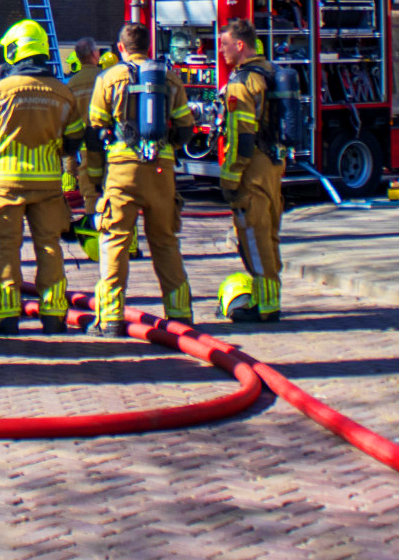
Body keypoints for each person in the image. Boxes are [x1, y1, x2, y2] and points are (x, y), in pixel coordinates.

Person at [0, 20, 84, 335]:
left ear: (16, 50)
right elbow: (73, 142)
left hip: (6, 183)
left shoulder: (1, 88)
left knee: (5, 247)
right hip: (47, 183)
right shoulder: (63, 92)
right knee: (49, 247)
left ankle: (5, 316)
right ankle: (54, 315)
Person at [87, 22, 195, 337]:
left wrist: (95, 178)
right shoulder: (170, 78)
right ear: (149, 46)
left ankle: (110, 319)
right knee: (165, 241)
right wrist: (164, 148)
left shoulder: (107, 78)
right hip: (162, 169)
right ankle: (181, 315)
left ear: (120, 48)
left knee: (115, 241)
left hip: (122, 170)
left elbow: (95, 130)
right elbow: (186, 128)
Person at [219, 18, 285, 322]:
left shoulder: (241, 82)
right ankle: (268, 296)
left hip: (253, 166)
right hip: (274, 162)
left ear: (240, 45)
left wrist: (231, 177)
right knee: (269, 232)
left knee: (254, 235)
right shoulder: (271, 71)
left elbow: (242, 135)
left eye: (225, 44)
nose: (221, 50)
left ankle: (266, 305)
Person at [62, 38, 105, 218]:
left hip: (84, 146)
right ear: (95, 54)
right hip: (109, 144)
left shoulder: (71, 84)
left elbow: (66, 118)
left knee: (90, 193)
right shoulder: (106, 78)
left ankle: (93, 226)